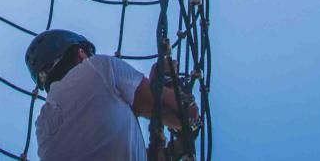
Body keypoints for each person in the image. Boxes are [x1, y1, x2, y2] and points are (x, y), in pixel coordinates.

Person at [26, 29, 199, 161]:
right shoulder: (98, 68)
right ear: (80, 53)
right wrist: (166, 81)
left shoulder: (43, 127)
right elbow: (186, 115)